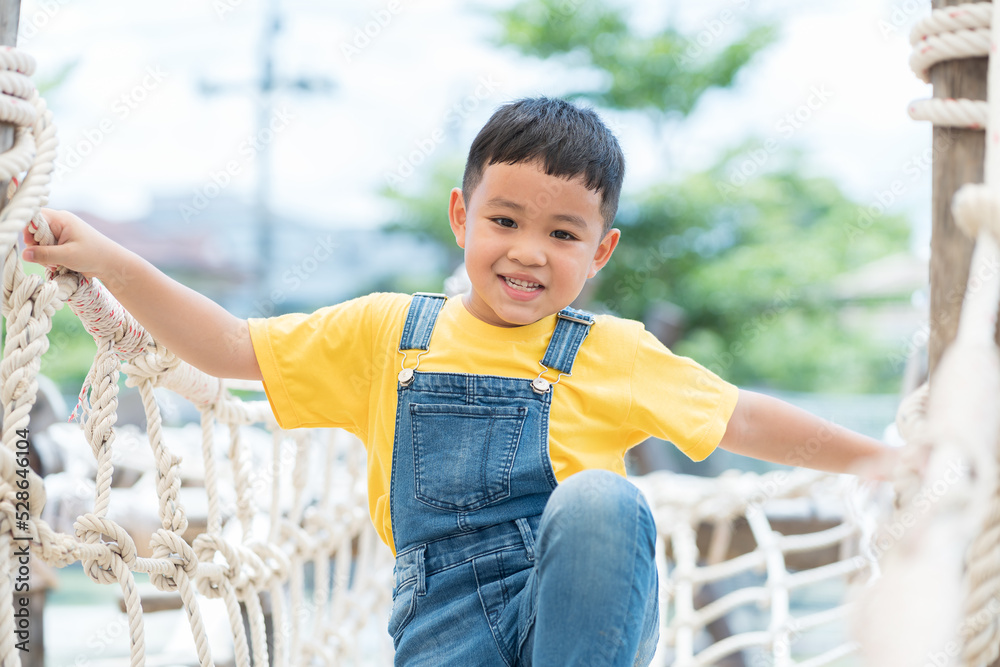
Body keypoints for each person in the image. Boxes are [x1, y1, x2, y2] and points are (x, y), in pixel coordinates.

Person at [23, 97, 895, 666]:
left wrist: (878, 461)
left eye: (562, 234)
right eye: (505, 219)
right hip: (446, 626)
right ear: (461, 216)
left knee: (604, 501)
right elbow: (231, 348)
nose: (526, 250)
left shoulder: (613, 352)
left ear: (600, 252)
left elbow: (742, 418)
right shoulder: (385, 333)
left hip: (581, 624)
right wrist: (105, 257)